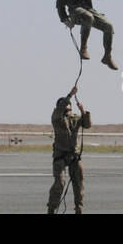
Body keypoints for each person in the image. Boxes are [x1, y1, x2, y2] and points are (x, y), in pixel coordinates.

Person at [56, 0, 118, 69]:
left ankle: (107, 56)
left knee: (109, 26)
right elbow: (59, 5)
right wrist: (65, 20)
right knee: (88, 17)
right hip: (76, 13)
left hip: (89, 11)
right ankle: (83, 48)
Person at [47, 85, 90, 214]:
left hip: (74, 156)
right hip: (60, 156)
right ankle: (51, 209)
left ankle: (79, 209)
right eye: (66, 106)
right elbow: (59, 111)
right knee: (59, 183)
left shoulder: (75, 119)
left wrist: (83, 112)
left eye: (69, 106)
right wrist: (70, 94)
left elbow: (87, 125)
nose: (68, 109)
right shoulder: (57, 119)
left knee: (79, 184)